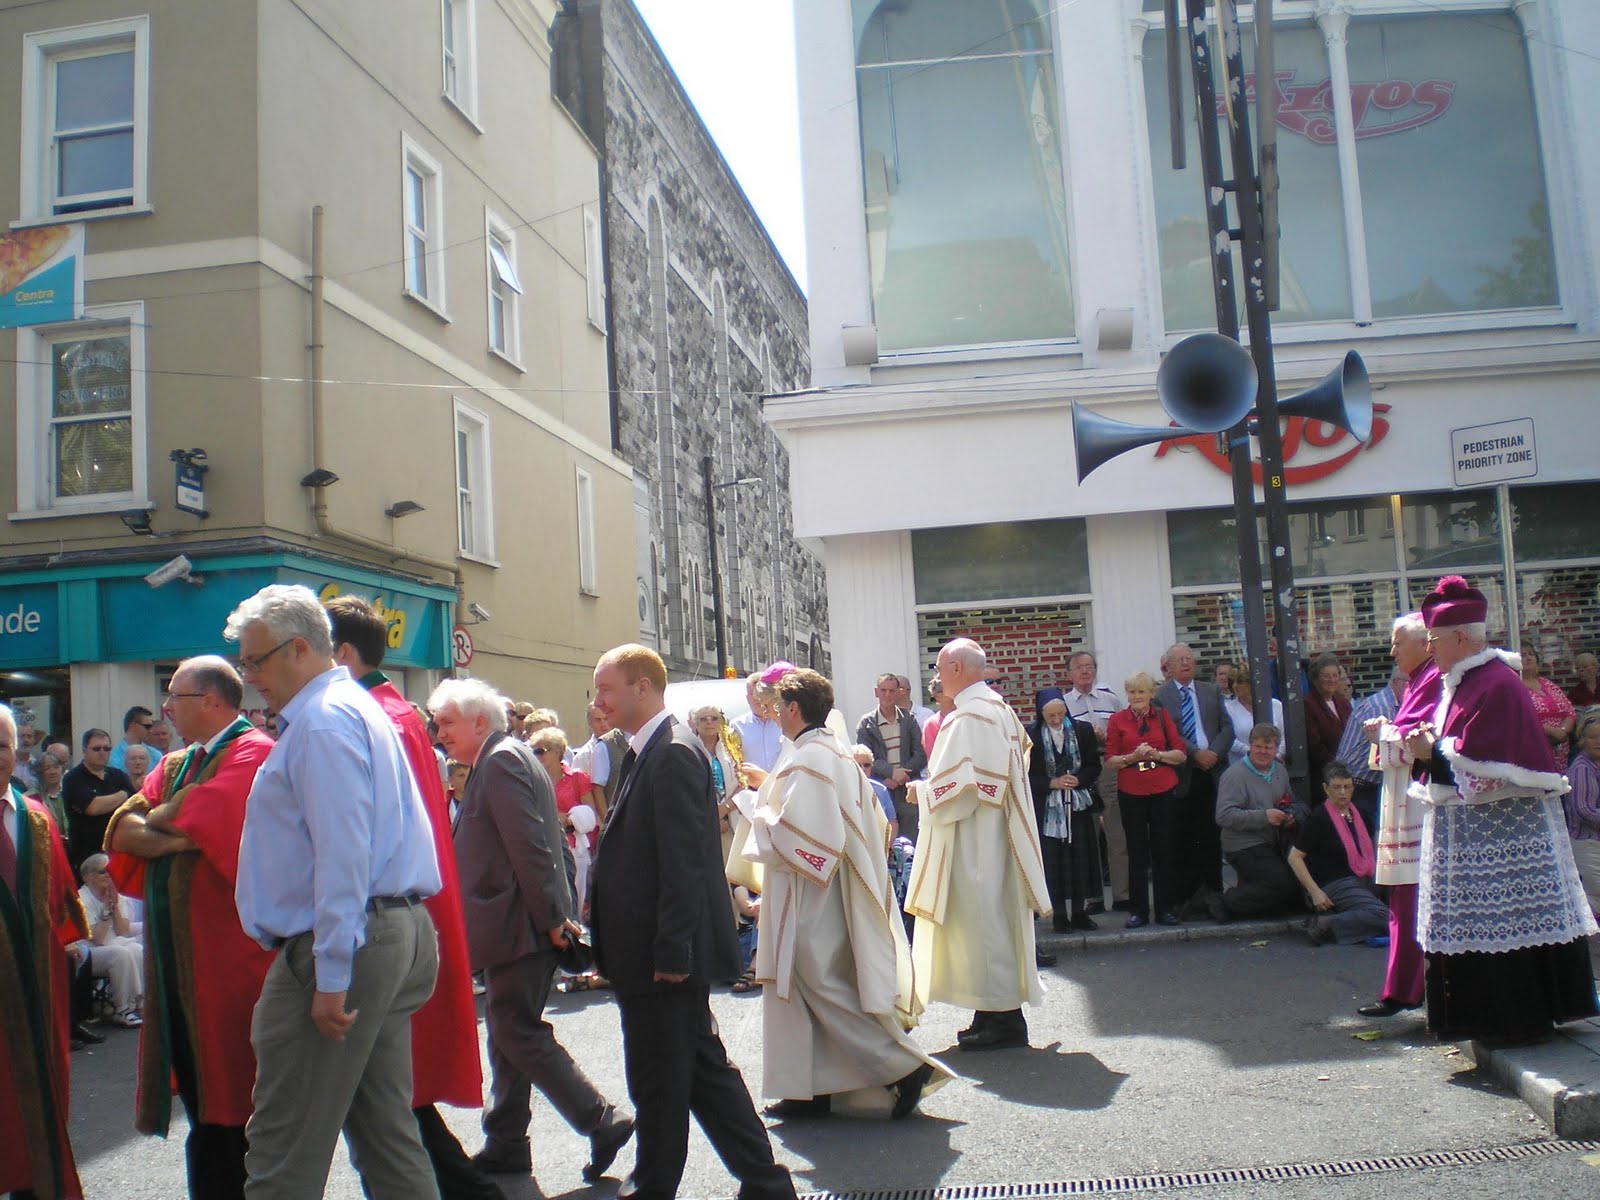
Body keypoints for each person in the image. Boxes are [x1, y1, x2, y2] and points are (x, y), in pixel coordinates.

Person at [227, 584, 443, 1198]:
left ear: (299, 649)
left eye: (256, 661)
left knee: (283, 1147)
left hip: (350, 940)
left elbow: (343, 854)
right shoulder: (349, 705)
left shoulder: (322, 721)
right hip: (386, 930)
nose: (249, 677)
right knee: (384, 1132)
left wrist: (330, 974)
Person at [589, 644, 795, 1200]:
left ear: (642, 687)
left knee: (659, 1079)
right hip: (650, 954)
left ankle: (652, 1187)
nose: (598, 701)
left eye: (606, 688)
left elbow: (684, 862)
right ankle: (766, 1181)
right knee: (700, 1072)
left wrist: (672, 951)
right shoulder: (649, 749)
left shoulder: (673, 751)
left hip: (662, 959)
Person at [429, 679, 633, 1187]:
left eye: (447, 723)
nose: (440, 733)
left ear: (480, 721)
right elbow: (541, 842)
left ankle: (600, 1119)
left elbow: (533, 848)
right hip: (517, 924)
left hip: (520, 926)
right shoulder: (501, 758)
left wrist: (552, 918)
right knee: (507, 1033)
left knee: (515, 1030)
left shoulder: (500, 761)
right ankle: (506, 1143)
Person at [325, 596, 495, 1200]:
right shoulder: (387, 712)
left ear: (340, 654)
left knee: (382, 1096)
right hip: (410, 916)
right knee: (387, 1098)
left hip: (387, 921)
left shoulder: (369, 716)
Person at [739, 667, 951, 1119]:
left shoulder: (808, 760)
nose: (775, 715)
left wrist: (753, 808)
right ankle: (809, 1089)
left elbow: (809, 840)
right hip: (832, 889)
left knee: (814, 982)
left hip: (810, 891)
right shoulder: (829, 753)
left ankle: (902, 1068)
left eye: (779, 706)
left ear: (795, 709)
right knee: (803, 987)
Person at [103, 655, 276, 1199]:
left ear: (211, 701)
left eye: (174, 695)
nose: (165, 708)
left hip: (231, 961)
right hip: (184, 963)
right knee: (201, 1100)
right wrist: (179, 834)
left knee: (238, 1102)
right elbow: (123, 830)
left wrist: (170, 821)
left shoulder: (254, 752)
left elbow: (186, 817)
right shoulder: (179, 763)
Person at [1407, 575, 1598, 1043]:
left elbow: (1494, 766)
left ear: (1459, 636)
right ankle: (1481, 1019)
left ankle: (1514, 1022)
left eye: (1433, 639)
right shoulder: (1465, 680)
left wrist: (1431, 752)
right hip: (1477, 839)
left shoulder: (1496, 684)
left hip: (1501, 842)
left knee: (1506, 930)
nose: (1430, 648)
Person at [904, 638, 1050, 1050]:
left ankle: (1004, 1020)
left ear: (956, 669)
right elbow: (1016, 760)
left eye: (938, 667)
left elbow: (972, 785)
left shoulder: (970, 716)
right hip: (994, 832)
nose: (935, 675)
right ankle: (989, 1012)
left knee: (985, 923)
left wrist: (924, 791)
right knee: (986, 922)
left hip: (978, 839)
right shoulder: (997, 708)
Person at [1, 703, 89, 1200]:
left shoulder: (36, 816)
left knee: (40, 1095)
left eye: (2, 744)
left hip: (40, 986)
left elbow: (61, 894)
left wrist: (70, 945)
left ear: (17, 752)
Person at [1357, 612, 1442, 1019]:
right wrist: (1386, 732)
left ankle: (1405, 991)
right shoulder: (1417, 681)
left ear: (1425, 642)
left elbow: (1420, 743)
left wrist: (1383, 735)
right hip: (1405, 802)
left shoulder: (1432, 678)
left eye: (1396, 643)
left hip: (1419, 808)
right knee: (1403, 900)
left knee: (1410, 900)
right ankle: (1403, 989)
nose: (1392, 651)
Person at [1104, 672, 1186, 929]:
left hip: (1162, 787)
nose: (1137, 697)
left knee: (1164, 849)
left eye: (1142, 692)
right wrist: (1132, 757)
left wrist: (1157, 755)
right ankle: (1138, 910)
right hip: (1132, 790)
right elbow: (1110, 760)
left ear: (1152, 694)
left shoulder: (1162, 717)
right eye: (1132, 692)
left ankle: (1165, 909)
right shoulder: (1118, 720)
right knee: (1137, 851)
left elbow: (1180, 754)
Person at [1154, 644, 1232, 906]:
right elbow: (1166, 733)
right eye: (1180, 660)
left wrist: (1213, 753)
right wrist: (1196, 753)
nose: (1186, 663)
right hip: (1182, 774)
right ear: (1169, 667)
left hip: (1212, 772)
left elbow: (1226, 727)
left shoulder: (1211, 691)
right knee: (1183, 836)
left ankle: (1213, 893)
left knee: (1210, 835)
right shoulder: (1161, 696)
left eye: (1189, 659)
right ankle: (1186, 898)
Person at [1207, 725, 1308, 923]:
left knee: (1297, 885)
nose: (1263, 752)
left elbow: (1290, 800)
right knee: (1281, 884)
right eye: (1258, 746)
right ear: (1250, 746)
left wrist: (1290, 815)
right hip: (1242, 845)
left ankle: (1250, 905)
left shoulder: (1279, 770)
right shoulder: (1234, 775)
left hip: (1273, 842)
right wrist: (1264, 816)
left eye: (1268, 747)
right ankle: (1219, 902)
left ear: (1276, 749)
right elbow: (1224, 816)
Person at [1027, 688, 1103, 933]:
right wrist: (1052, 783)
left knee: (1080, 859)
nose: (1057, 720)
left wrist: (1078, 780)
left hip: (1077, 804)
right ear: (1042, 714)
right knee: (1055, 861)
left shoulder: (1082, 731)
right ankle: (1059, 915)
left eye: (1061, 714)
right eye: (1051, 716)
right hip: (1048, 808)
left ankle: (1080, 912)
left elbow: (1093, 765)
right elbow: (1026, 775)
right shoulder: (1032, 736)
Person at [1289, 765, 1391, 945]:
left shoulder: (1357, 813)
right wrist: (1315, 892)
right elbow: (1294, 857)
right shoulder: (1320, 817)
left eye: (1347, 787)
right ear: (1326, 789)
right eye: (1336, 787)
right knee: (1385, 917)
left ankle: (1341, 918)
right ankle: (1325, 924)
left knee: (1400, 902)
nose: (1342, 793)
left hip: (1362, 877)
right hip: (1335, 883)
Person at [1063, 651, 1123, 911]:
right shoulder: (1063, 703)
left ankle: (1123, 895)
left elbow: (1123, 734)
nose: (1085, 672)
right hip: (1080, 771)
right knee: (1087, 834)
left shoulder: (1110, 699)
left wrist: (1106, 737)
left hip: (1109, 765)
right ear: (1070, 674)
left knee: (1116, 831)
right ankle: (1094, 897)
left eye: (1089, 667)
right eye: (1079, 667)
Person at [856, 672, 928, 842]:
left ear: (899, 692)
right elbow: (865, 756)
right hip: (881, 789)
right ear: (876, 692)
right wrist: (889, 774)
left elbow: (920, 753)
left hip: (907, 789)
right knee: (883, 838)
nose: (887, 695)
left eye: (892, 691)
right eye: (883, 690)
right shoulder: (866, 724)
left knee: (911, 840)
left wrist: (903, 776)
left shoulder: (909, 720)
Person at [74, 852, 145, 1026]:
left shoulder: (115, 895)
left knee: (137, 949)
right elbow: (96, 938)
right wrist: (106, 910)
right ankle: (122, 1009)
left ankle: (138, 1004)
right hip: (87, 951)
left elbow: (123, 931)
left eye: (111, 871)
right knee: (120, 954)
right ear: (88, 877)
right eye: (103, 871)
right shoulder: (81, 899)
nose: (109, 875)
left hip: (114, 943)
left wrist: (115, 905)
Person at [1335, 667, 1406, 832]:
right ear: (1396, 682)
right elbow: (1396, 748)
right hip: (1357, 785)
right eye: (1411, 684)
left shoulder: (1389, 703)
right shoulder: (1382, 708)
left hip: (1364, 784)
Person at [62, 728, 134, 875]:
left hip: (119, 854)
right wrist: (123, 795)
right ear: (84, 750)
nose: (102, 752)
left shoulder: (118, 775)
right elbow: (93, 807)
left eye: (107, 748)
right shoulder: (73, 778)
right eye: (96, 748)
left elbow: (134, 804)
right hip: (87, 859)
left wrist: (122, 796)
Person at [1521, 643, 1577, 772]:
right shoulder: (1514, 687)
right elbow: (1520, 719)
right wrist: (1552, 731)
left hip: (1561, 751)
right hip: (1536, 750)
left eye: (1531, 654)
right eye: (1523, 655)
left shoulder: (1547, 683)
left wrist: (1562, 731)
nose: (1528, 658)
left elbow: (1570, 712)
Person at [1565, 710, 1600, 918]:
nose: (1598, 742)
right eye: (1592, 737)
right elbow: (1584, 810)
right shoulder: (1582, 769)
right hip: (1587, 842)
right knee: (1595, 894)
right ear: (1582, 740)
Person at [1303, 655, 1354, 795]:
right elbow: (1315, 745)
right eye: (1326, 676)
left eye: (1335, 675)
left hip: (1350, 773)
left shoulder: (1343, 702)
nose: (1332, 680)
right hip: (1325, 776)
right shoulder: (1308, 704)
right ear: (1315, 679)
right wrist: (1337, 767)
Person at [1222, 663, 1284, 769]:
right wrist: (1252, 752)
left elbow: (1284, 735)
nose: (1235, 686)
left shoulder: (1275, 705)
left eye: (1240, 682)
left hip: (1274, 764)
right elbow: (1228, 738)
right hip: (1241, 766)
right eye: (1232, 682)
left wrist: (1277, 755)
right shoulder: (1227, 708)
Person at [730, 673, 785, 772]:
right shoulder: (737, 726)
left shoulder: (783, 723)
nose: (757, 698)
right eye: (752, 693)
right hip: (751, 786)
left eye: (759, 693)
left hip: (782, 784)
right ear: (747, 698)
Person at [109, 704, 156, 770]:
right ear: (132, 725)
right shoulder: (113, 758)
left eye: (152, 726)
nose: (151, 731)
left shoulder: (156, 755)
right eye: (147, 726)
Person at [921, 678, 953, 757]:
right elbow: (931, 755)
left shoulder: (964, 715)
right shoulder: (931, 724)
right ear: (936, 696)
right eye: (943, 690)